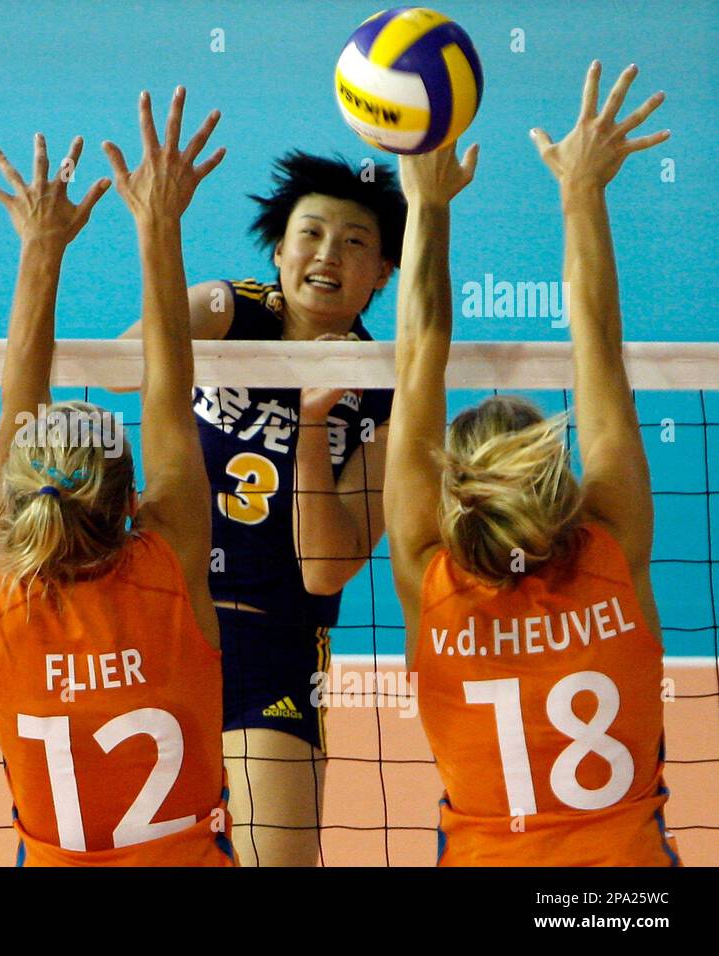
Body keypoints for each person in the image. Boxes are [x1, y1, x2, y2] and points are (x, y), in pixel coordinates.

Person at [385, 61, 680, 865]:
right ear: (564, 483)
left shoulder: (428, 577)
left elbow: (417, 357)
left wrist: (427, 204)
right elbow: (599, 346)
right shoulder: (613, 546)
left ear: (456, 493)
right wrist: (583, 191)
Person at [0, 88, 235, 865]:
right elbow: (170, 391)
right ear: (133, 502)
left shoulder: (2, 583)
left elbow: (17, 401)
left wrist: (40, 247)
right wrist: (157, 223)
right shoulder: (170, 561)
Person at [119, 152, 406, 865]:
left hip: (273, 644)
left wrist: (314, 422)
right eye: (311, 233)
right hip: (162, 625)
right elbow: (127, 365)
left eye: (356, 241)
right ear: (279, 251)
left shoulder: (381, 392)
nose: (329, 254)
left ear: (383, 275)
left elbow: (325, 571)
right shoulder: (228, 309)